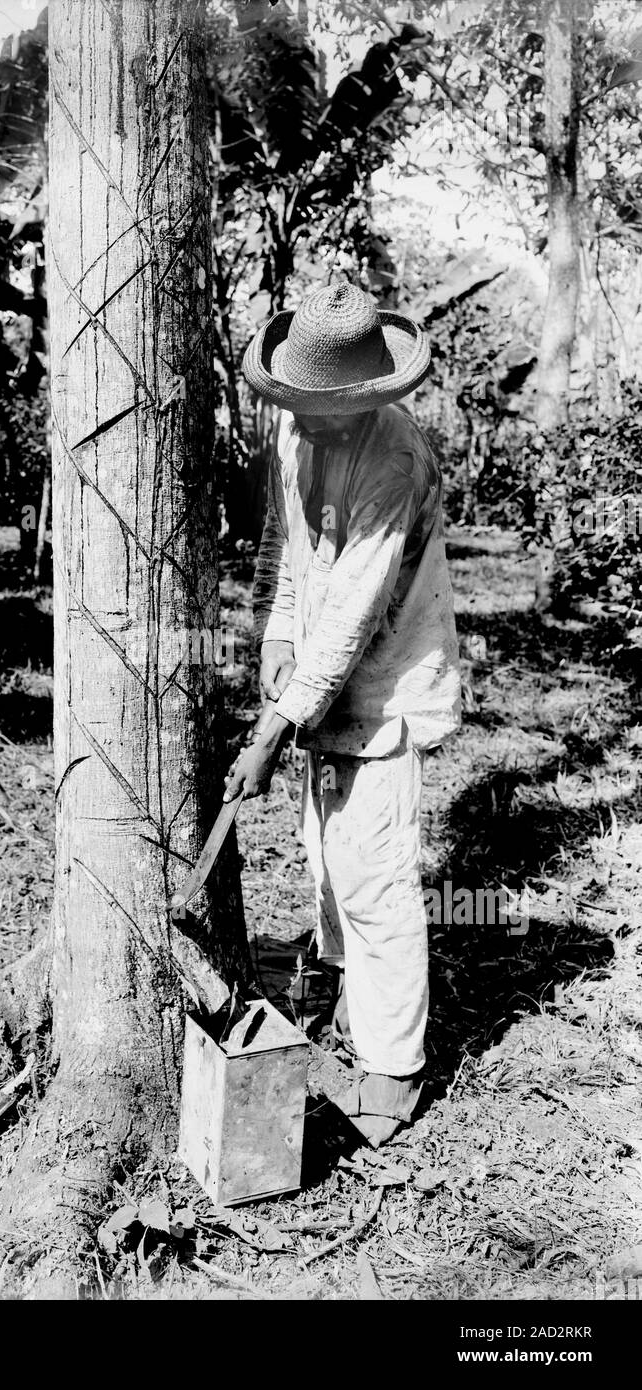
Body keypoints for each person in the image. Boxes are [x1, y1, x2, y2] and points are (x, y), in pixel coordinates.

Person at [223, 279, 462, 1146]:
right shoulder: (291, 421)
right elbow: (289, 546)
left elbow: (357, 610)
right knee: (324, 851)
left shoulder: (393, 462)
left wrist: (271, 729)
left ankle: (392, 1067)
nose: (311, 421)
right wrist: (277, 637)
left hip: (388, 671)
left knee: (376, 878)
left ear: (372, 395)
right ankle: (330, 984)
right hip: (319, 673)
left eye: (332, 410)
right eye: (301, 405)